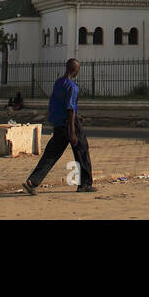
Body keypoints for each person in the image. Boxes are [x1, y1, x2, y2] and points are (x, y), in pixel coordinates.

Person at [23, 58, 94, 195]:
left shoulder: (58, 83)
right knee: (82, 152)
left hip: (59, 125)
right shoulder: (72, 87)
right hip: (70, 124)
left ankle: (33, 181)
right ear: (74, 70)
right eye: (78, 69)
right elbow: (70, 109)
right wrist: (72, 133)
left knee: (51, 155)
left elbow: (59, 104)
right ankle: (84, 184)